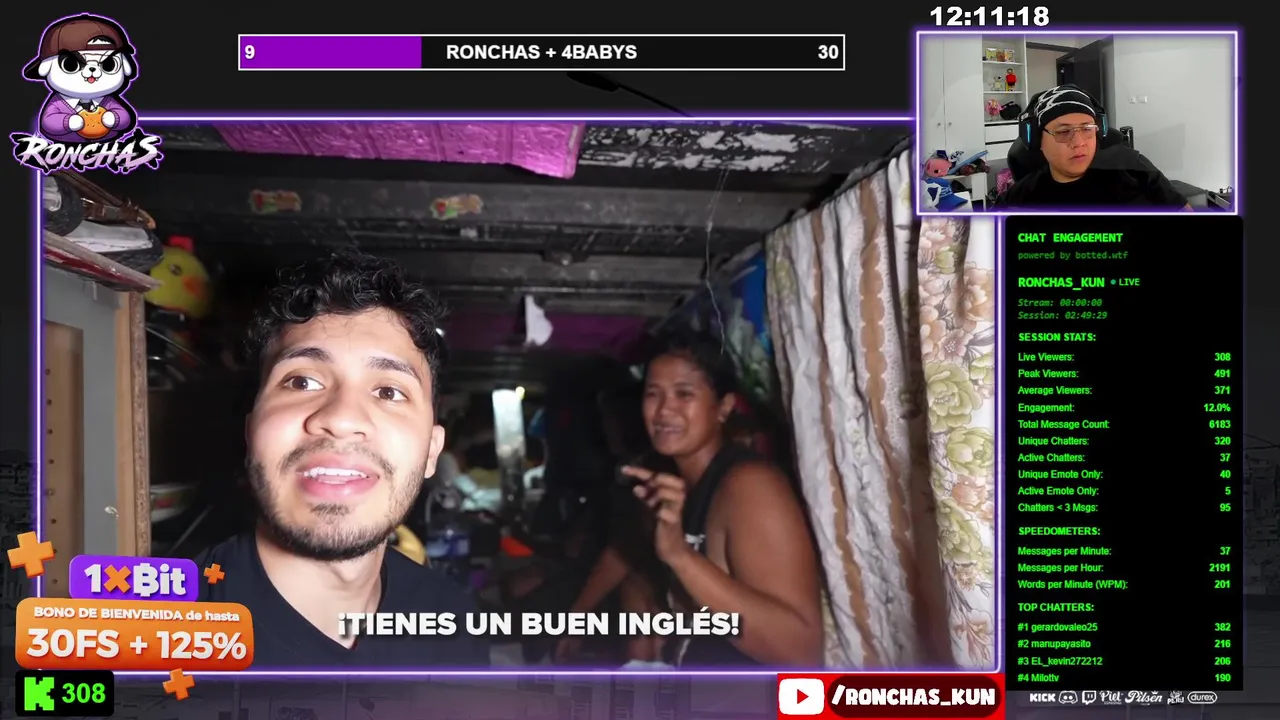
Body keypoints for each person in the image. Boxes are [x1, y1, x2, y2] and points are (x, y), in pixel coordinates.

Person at [195, 252, 489, 668]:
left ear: (431, 452)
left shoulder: (451, 623)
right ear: (251, 433)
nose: (342, 418)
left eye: (389, 392)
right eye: (302, 381)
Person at [588, 333, 822, 666]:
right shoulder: (676, 484)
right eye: (653, 394)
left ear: (723, 407)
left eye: (684, 393)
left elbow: (801, 651)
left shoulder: (750, 486)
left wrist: (679, 555)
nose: (664, 409)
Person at [994, 84, 1192, 209]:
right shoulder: (1018, 200)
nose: (1079, 142)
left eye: (1087, 129)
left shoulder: (1131, 164)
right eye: (1064, 132)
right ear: (1037, 140)